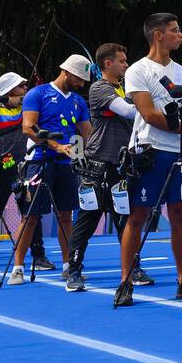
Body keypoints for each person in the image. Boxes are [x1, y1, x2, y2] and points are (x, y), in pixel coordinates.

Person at [117, 15, 182, 306]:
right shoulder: (137, 71)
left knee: (180, 215)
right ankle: (126, 281)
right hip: (149, 151)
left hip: (180, 155)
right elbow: (150, 115)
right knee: (138, 216)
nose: (180, 35)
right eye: (175, 31)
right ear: (157, 35)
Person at [9, 57, 93, 284]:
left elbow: (88, 133)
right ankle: (18, 267)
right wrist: (56, 146)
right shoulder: (38, 94)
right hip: (39, 160)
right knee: (31, 216)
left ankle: (69, 265)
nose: (82, 84)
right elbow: (28, 127)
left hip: (68, 163)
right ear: (66, 72)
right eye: (79, 79)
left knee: (67, 215)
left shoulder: (78, 101)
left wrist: (95, 153)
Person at [66, 43, 138, 291]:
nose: (126, 65)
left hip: (120, 164)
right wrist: (148, 105)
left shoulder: (123, 88)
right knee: (87, 219)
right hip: (97, 165)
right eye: (122, 61)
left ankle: (132, 269)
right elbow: (129, 112)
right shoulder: (99, 88)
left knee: (124, 219)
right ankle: (73, 271)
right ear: (108, 63)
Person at [0, 73, 50, 272]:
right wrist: (6, 99)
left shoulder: (28, 107)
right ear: (9, 89)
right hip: (2, 165)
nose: (25, 89)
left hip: (26, 164)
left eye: (25, 86)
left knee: (31, 213)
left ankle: (38, 257)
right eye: (21, 86)